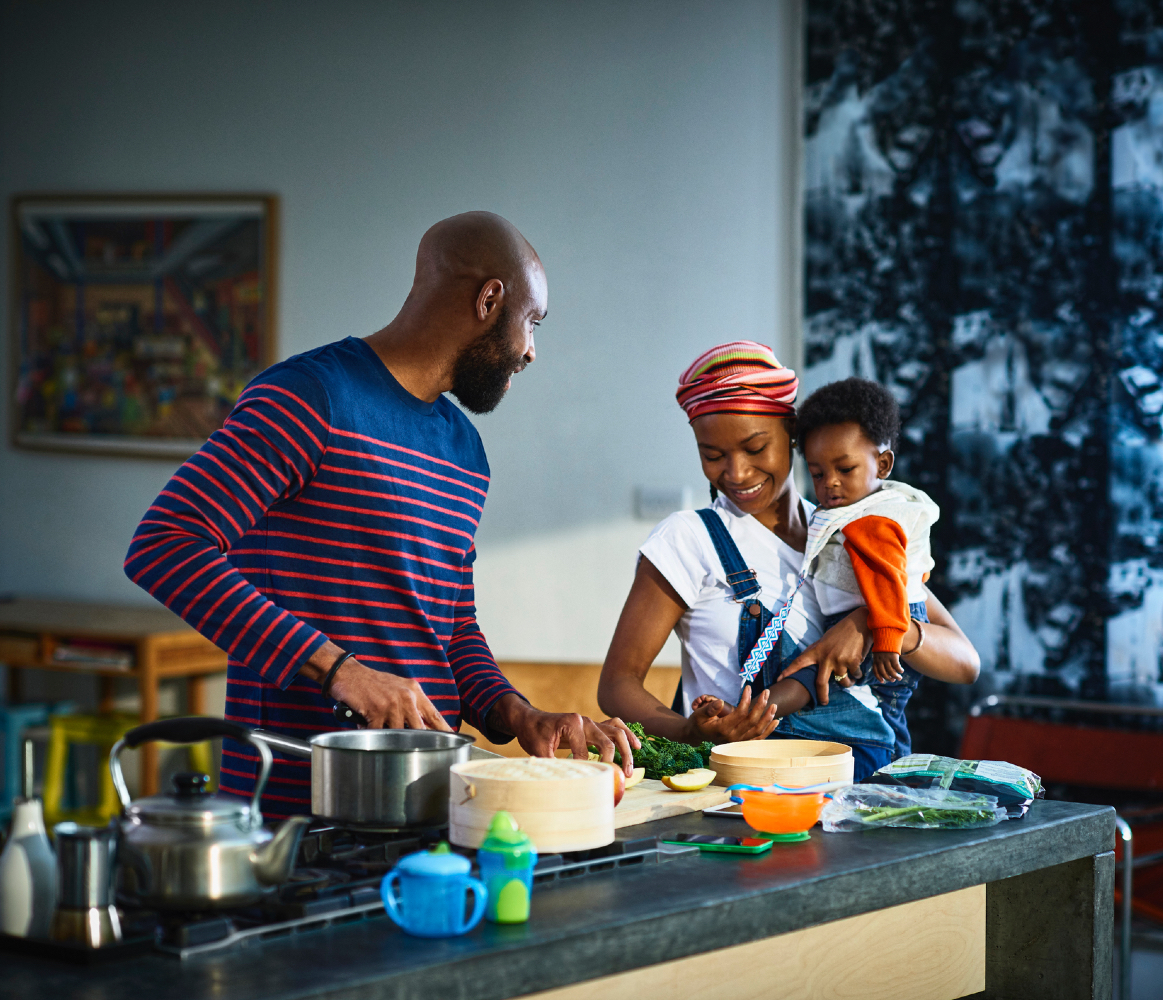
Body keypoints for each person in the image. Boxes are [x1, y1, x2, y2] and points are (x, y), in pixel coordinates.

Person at [125, 212, 638, 816]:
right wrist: (342, 672)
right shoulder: (309, 396)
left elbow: (451, 629)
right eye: (532, 322)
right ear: (489, 299)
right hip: (296, 806)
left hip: (428, 799)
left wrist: (520, 713)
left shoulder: (464, 451)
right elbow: (164, 545)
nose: (530, 351)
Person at [597, 343, 980, 780]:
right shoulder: (689, 538)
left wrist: (874, 624)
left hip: (859, 788)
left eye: (755, 448)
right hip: (742, 793)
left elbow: (965, 662)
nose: (736, 473)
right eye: (713, 455)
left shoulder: (849, 532)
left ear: (791, 434)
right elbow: (617, 685)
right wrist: (689, 731)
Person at [770, 377, 969, 757]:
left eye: (845, 469)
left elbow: (886, 575)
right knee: (880, 712)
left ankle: (894, 775)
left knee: (882, 715)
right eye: (817, 473)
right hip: (881, 620)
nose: (830, 484)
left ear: (883, 463)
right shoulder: (847, 513)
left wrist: (885, 635)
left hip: (888, 622)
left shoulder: (872, 518)